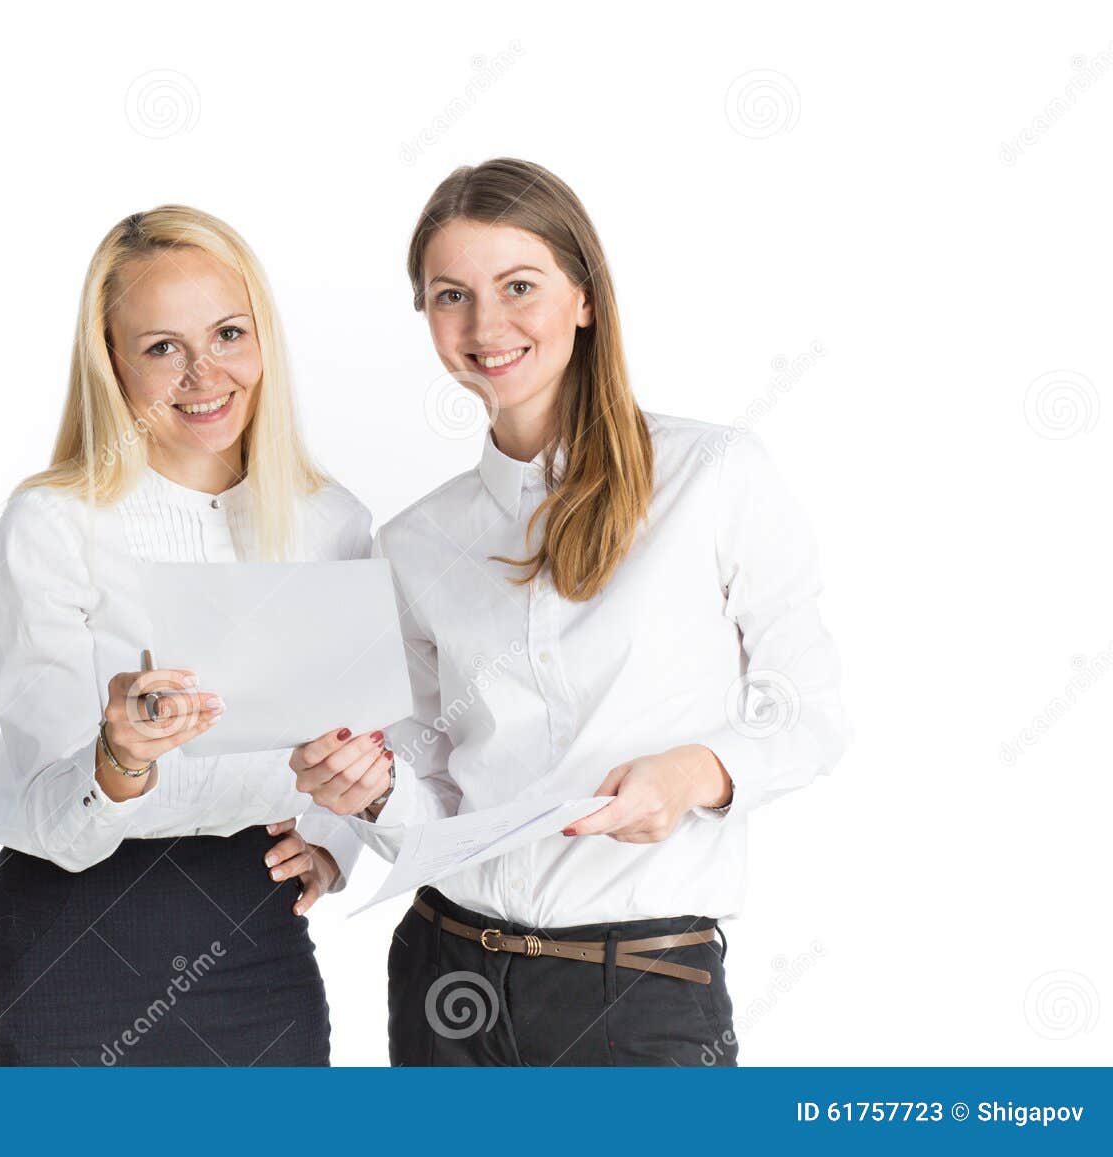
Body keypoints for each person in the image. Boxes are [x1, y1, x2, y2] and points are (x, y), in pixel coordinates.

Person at [343, 158, 851, 1066]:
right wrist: (371, 791)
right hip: (444, 977)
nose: (485, 325)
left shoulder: (714, 477)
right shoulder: (416, 541)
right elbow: (433, 792)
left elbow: (809, 713)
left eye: (519, 286)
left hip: (640, 989)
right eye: (451, 295)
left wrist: (697, 772)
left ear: (583, 296)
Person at [0, 205, 394, 1066]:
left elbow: (368, 737)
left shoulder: (331, 524)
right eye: (162, 347)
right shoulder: (53, 524)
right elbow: (58, 811)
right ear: (112, 364)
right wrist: (120, 755)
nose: (204, 373)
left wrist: (334, 846)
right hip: (73, 931)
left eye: (229, 333)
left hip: (251, 923)